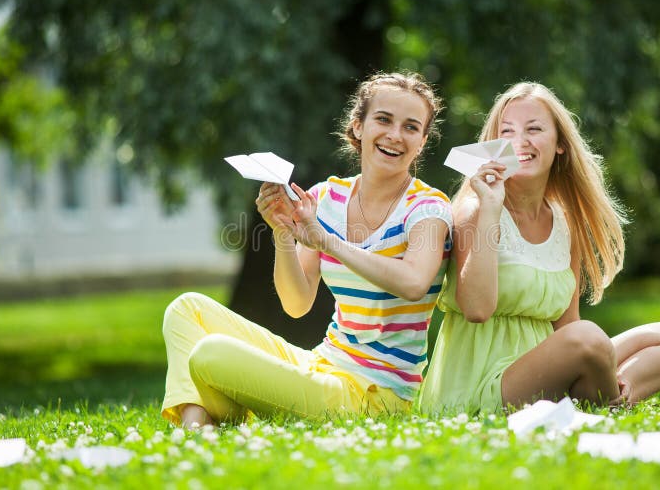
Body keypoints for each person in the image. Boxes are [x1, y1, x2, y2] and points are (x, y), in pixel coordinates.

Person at [161, 72, 452, 428]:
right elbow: (296, 304)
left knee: (210, 354)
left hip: (374, 396)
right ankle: (199, 426)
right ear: (358, 126)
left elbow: (413, 283)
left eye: (410, 127)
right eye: (383, 119)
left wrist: (327, 240)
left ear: (422, 141)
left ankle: (204, 425)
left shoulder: (428, 208)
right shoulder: (327, 198)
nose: (395, 135)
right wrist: (283, 232)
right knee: (186, 309)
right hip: (321, 364)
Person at [418, 82, 660, 414]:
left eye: (534, 129)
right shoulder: (476, 210)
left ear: (560, 144)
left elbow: (567, 326)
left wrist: (594, 362)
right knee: (588, 338)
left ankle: (617, 398)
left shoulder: (565, 222)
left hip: (546, 373)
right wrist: (491, 207)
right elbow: (476, 309)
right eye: (508, 131)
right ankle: (613, 409)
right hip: (482, 387)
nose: (520, 141)